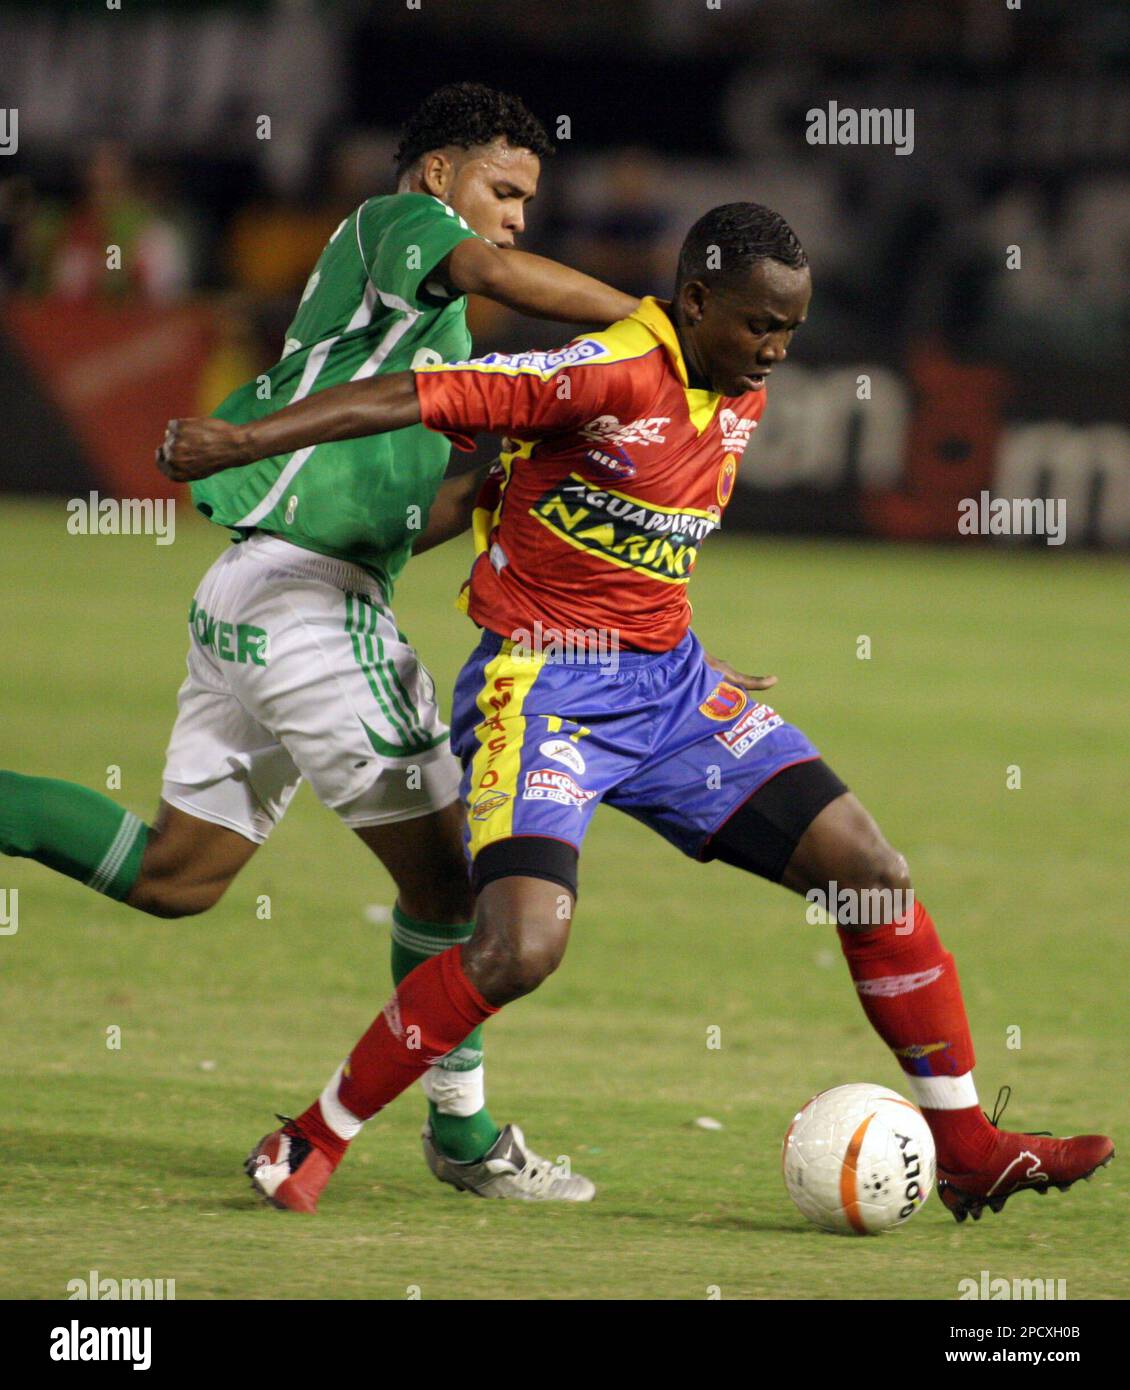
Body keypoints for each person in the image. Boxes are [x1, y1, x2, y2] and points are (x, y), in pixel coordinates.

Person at [156, 201, 1114, 1221]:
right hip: (547, 694)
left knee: (870, 874)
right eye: (758, 326)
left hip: (674, 692)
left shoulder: (731, 381)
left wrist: (689, 658)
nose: (776, 352)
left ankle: (967, 1150)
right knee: (518, 948)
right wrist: (238, 441)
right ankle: (313, 1134)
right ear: (695, 301)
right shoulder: (603, 373)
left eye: (790, 331)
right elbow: (410, 395)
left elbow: (614, 530)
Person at [0, 82, 646, 1203]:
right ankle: (463, 1139)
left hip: (261, 594)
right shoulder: (394, 227)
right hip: (303, 606)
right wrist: (653, 333)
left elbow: (407, 523)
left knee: (176, 875)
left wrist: (493, 490)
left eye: (529, 201)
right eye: (505, 190)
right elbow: (496, 275)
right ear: (440, 174)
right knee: (459, 892)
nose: (516, 220)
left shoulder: (424, 343)